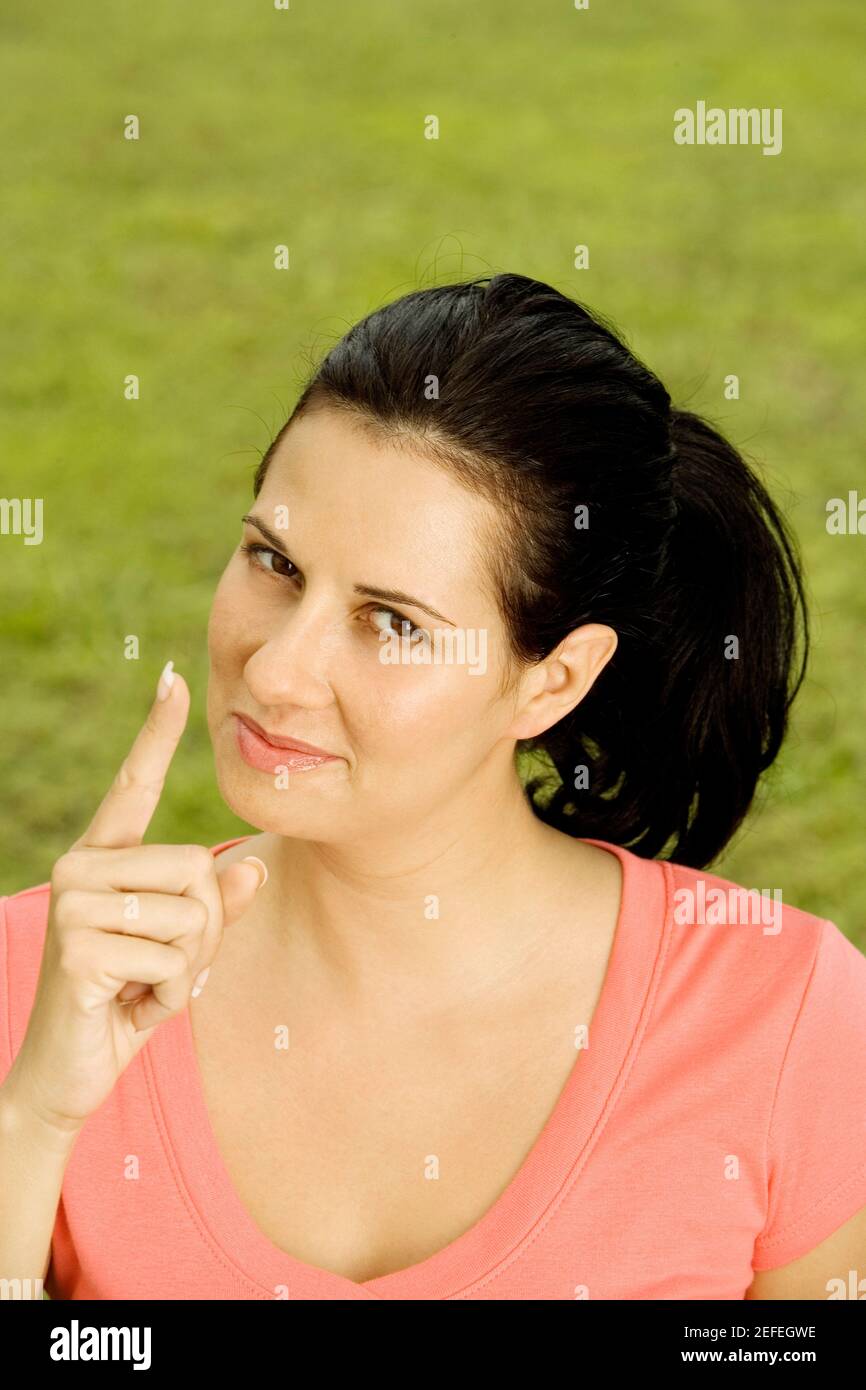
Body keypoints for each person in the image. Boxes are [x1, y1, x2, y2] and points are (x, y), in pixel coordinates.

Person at [2, 272, 865, 1301]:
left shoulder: (780, 1017)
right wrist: (34, 1119)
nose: (275, 669)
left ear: (553, 679)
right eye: (274, 562)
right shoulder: (46, 980)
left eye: (393, 621)